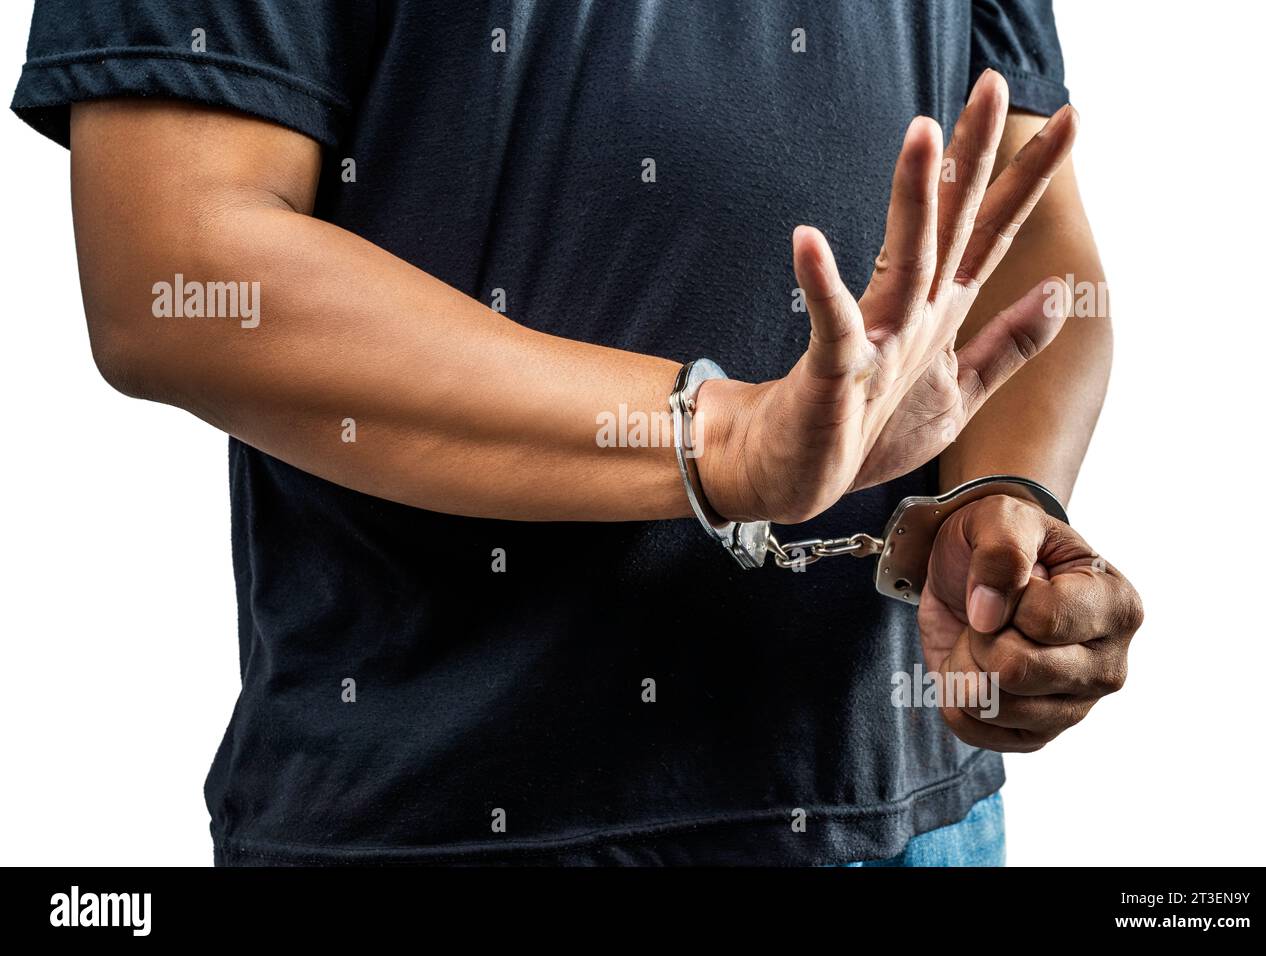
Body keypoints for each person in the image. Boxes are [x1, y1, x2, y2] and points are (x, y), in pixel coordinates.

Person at [11, 0, 1143, 866]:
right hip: (444, 822)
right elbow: (172, 265)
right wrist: (719, 439)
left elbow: (1021, 221)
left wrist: (999, 511)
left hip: (907, 819)